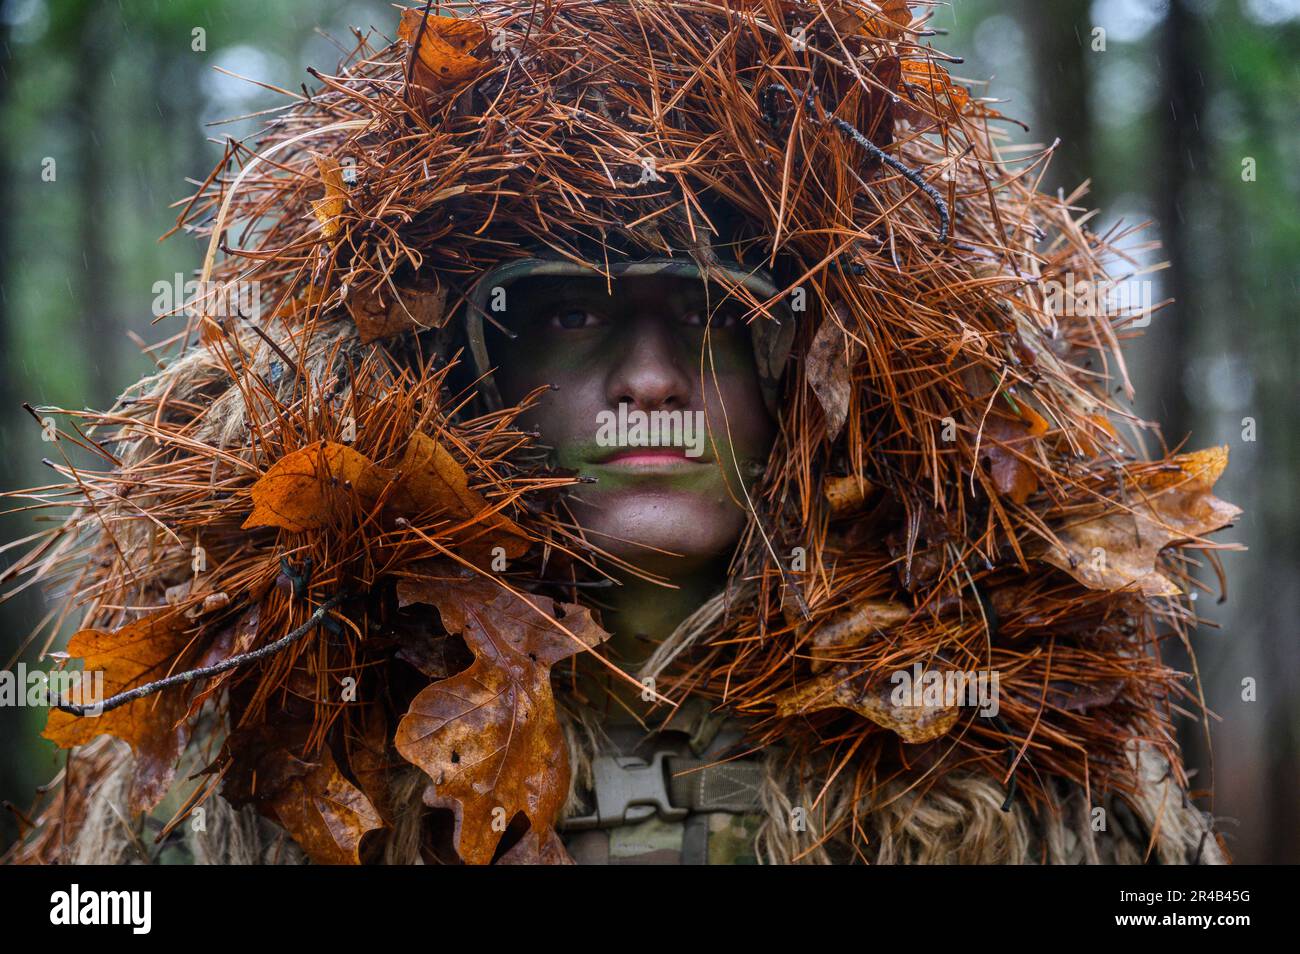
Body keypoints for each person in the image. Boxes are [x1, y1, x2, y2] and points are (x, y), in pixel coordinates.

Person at [3, 0, 1235, 866]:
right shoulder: (273, 745)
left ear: (804, 382)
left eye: (709, 316)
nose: (650, 378)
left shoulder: (1003, 746)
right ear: (474, 383)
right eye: (572, 311)